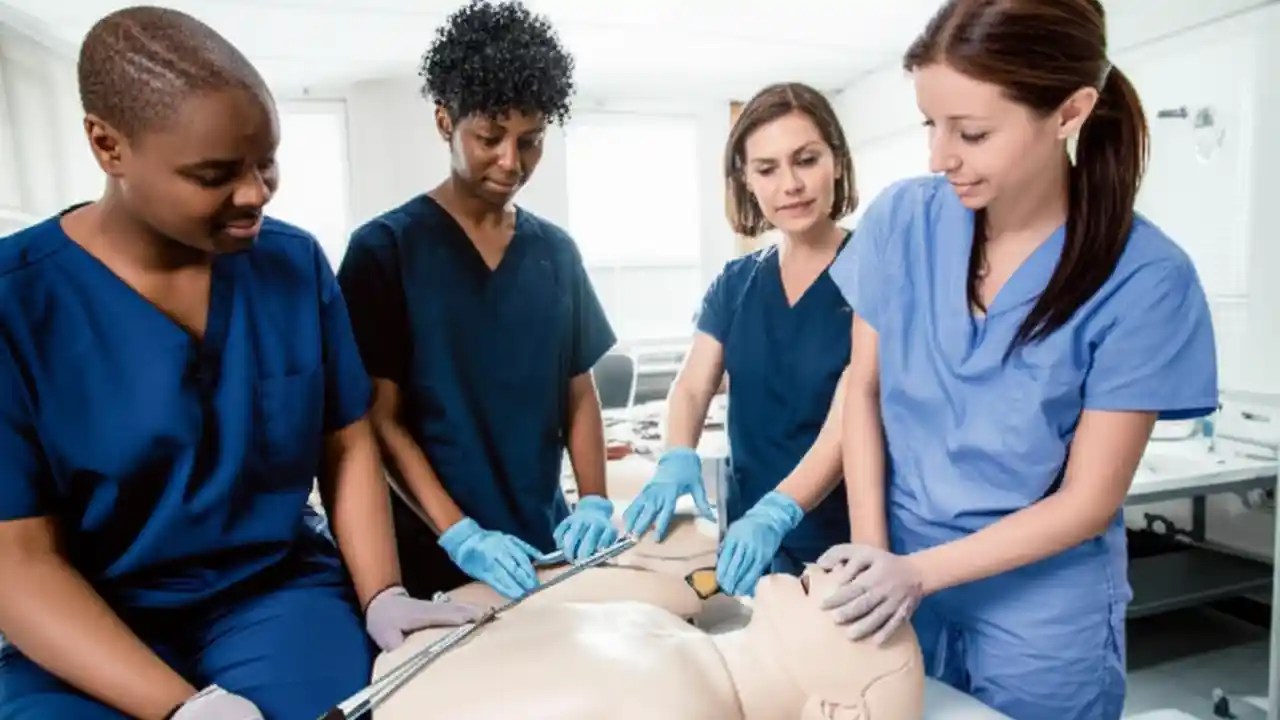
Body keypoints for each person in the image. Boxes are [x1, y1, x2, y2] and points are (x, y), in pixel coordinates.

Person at [0, 8, 479, 719]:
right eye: (214, 174)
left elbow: (346, 441)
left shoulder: (292, 264)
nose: (255, 192)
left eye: (266, 163)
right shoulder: (17, 300)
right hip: (85, 615)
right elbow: (18, 558)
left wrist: (383, 592)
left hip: (269, 593)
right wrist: (183, 708)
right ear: (108, 145)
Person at [818, 1, 1218, 718]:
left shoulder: (1145, 277)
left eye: (971, 133)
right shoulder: (902, 221)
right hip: (902, 568)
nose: (939, 157)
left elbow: (1089, 500)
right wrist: (879, 556)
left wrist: (918, 573)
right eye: (930, 125)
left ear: (1070, 113)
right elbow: (863, 389)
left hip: (1042, 611)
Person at [337, 0, 618, 602]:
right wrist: (460, 534)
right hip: (430, 554)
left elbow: (579, 393)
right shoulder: (383, 251)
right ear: (445, 121)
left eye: (531, 141)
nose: (511, 162)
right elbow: (379, 419)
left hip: (543, 547)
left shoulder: (555, 253)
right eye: (490, 138)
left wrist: (594, 499)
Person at [623, 83, 857, 597]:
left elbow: (855, 414)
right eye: (767, 169)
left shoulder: (872, 273)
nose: (791, 184)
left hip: (842, 540)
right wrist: (676, 455)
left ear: (837, 162)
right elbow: (691, 387)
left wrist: (780, 510)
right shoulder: (736, 283)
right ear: (746, 180)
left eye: (806, 160)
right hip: (750, 538)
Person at [372, 566, 925, 720]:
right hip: (388, 663)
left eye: (874, 617)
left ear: (835, 712)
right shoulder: (665, 617)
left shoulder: (689, 707)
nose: (847, 575)